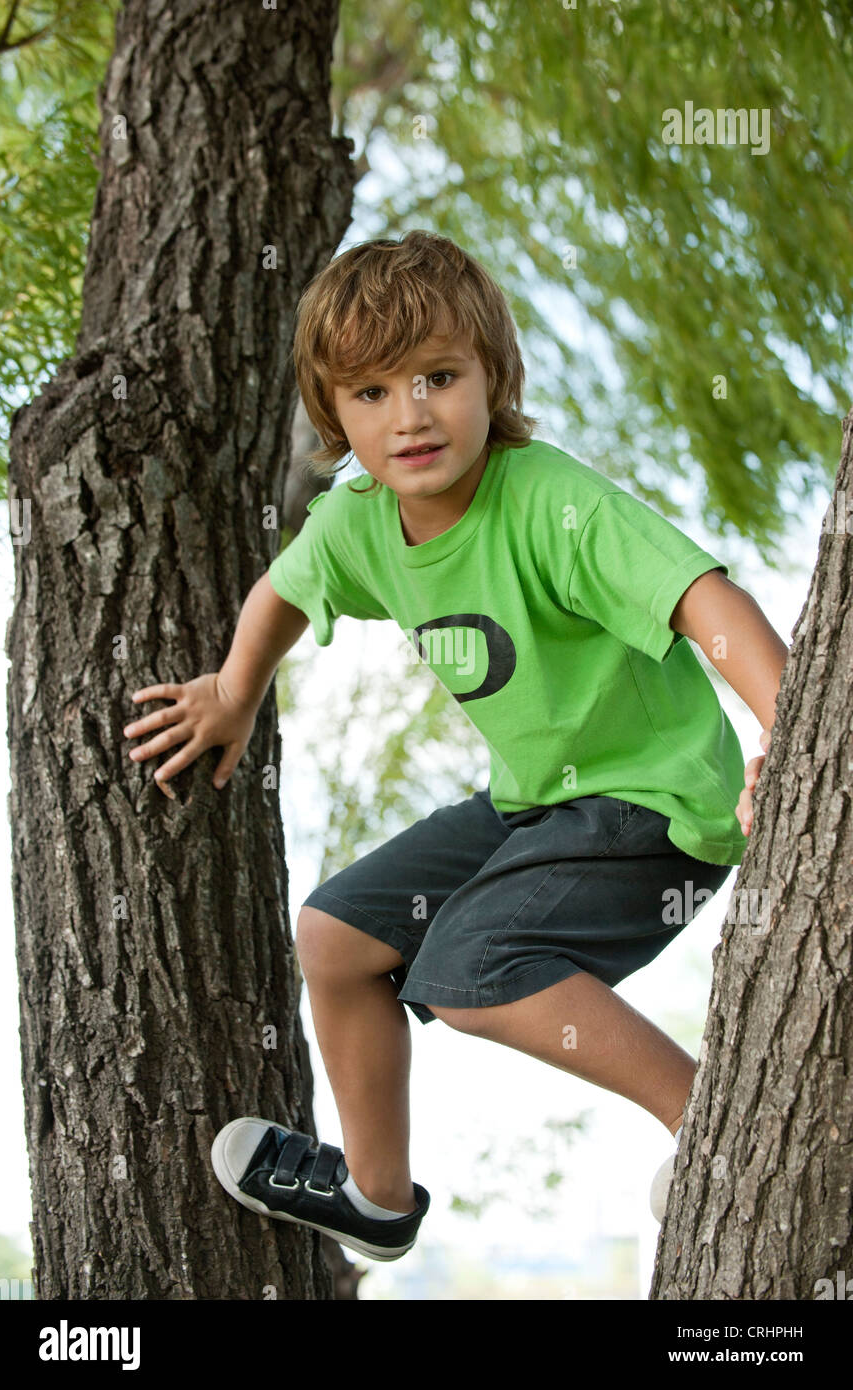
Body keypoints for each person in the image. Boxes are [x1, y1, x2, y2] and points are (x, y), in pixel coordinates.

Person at [122, 231, 788, 1261]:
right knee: (336, 940)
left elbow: (703, 598)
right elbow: (285, 591)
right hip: (530, 802)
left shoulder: (551, 503)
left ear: (494, 378)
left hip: (655, 806)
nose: (412, 412)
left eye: (439, 376)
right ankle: (379, 1201)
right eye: (374, 391)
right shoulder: (359, 521)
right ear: (333, 413)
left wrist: (783, 735)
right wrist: (231, 691)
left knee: (468, 967)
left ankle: (713, 1123)